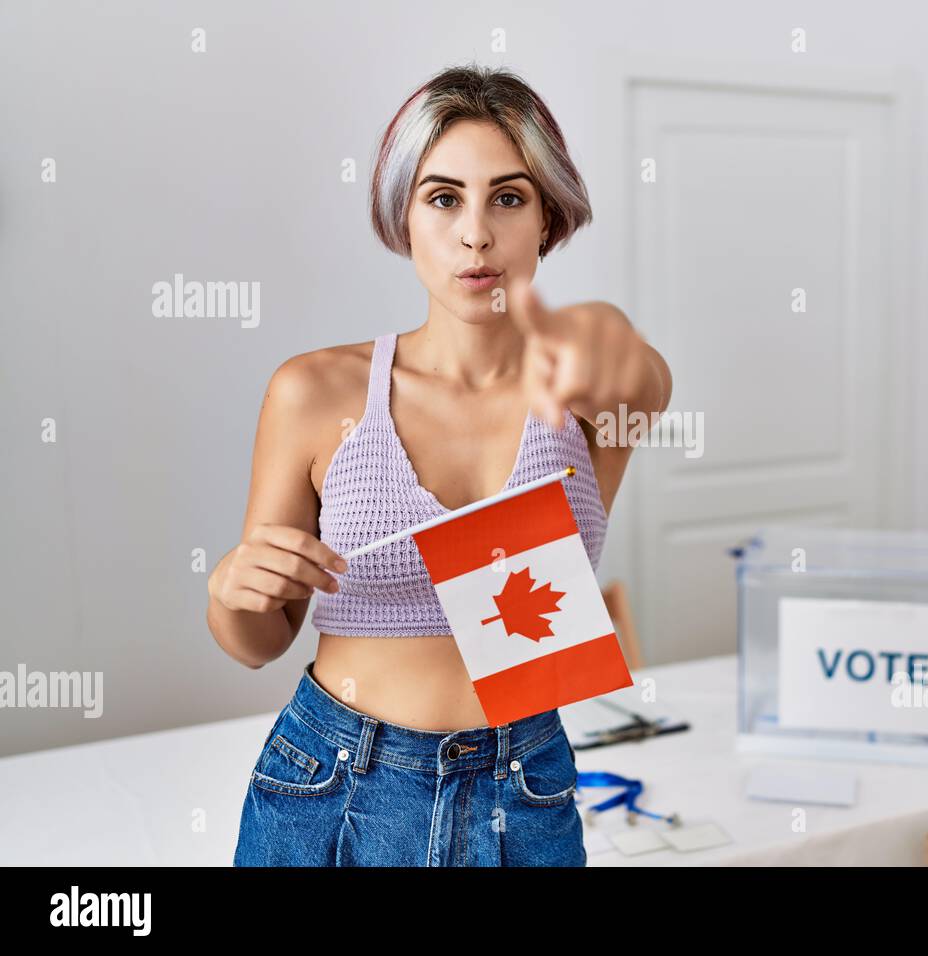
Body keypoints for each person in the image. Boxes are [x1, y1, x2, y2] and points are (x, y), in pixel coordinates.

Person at [207, 63, 671, 866]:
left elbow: (640, 376)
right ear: (404, 216)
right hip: (334, 778)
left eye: (510, 197)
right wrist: (230, 590)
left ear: (549, 218)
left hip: (522, 782)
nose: (476, 234)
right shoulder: (314, 392)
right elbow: (256, 642)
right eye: (444, 197)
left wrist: (607, 322)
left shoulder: (588, 393)